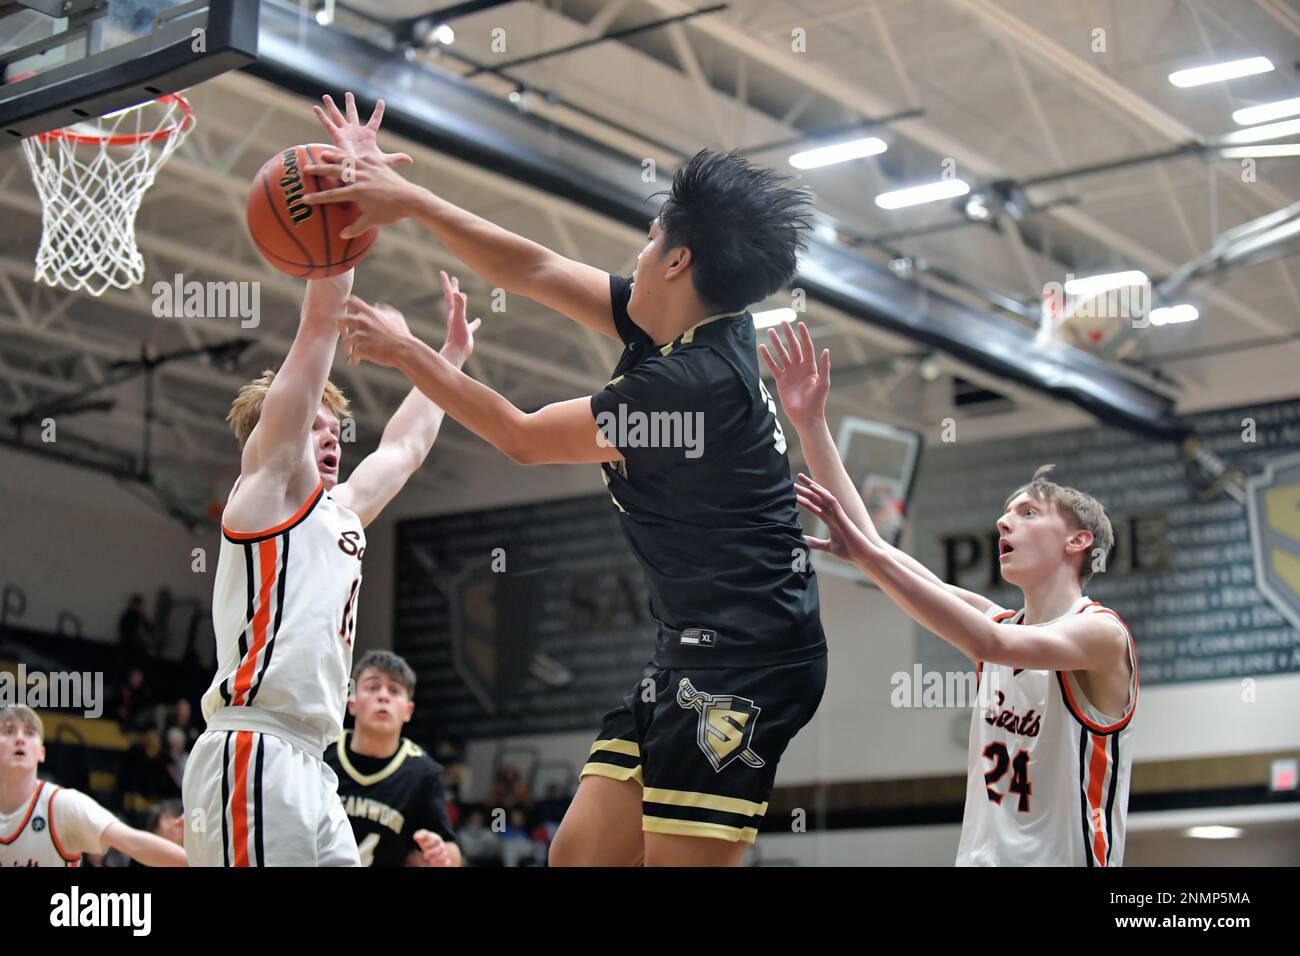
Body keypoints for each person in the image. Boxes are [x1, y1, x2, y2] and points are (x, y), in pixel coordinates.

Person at [301, 92, 828, 866]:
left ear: (678, 261)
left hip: (751, 659)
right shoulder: (688, 323)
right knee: (575, 856)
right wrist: (405, 197)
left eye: (650, 242)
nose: (639, 256)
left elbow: (519, 437)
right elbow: (535, 266)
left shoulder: (690, 386)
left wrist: (410, 353)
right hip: (687, 645)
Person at [181, 98, 480, 864]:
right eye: (313, 426)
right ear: (270, 442)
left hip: (311, 764)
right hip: (252, 750)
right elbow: (320, 323)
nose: (330, 440)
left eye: (333, 431)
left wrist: (446, 360)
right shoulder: (266, 491)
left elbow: (407, 447)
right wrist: (347, 187)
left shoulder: (341, 513)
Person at [762, 321, 1137, 866]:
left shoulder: (1101, 634)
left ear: (1079, 541)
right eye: (1005, 515)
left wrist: (871, 556)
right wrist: (811, 424)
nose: (1004, 524)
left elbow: (989, 644)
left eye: (1027, 513)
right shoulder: (999, 623)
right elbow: (878, 550)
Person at [0, 706, 186, 867]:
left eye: (30, 733)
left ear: (41, 753)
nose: (20, 739)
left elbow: (134, 842)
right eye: (9, 731)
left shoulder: (62, 805)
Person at [324, 650, 460, 867]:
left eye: (395, 691)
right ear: (352, 703)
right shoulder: (322, 751)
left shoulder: (423, 772)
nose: (383, 696)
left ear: (408, 710)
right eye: (372, 687)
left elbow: (451, 852)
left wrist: (442, 854)